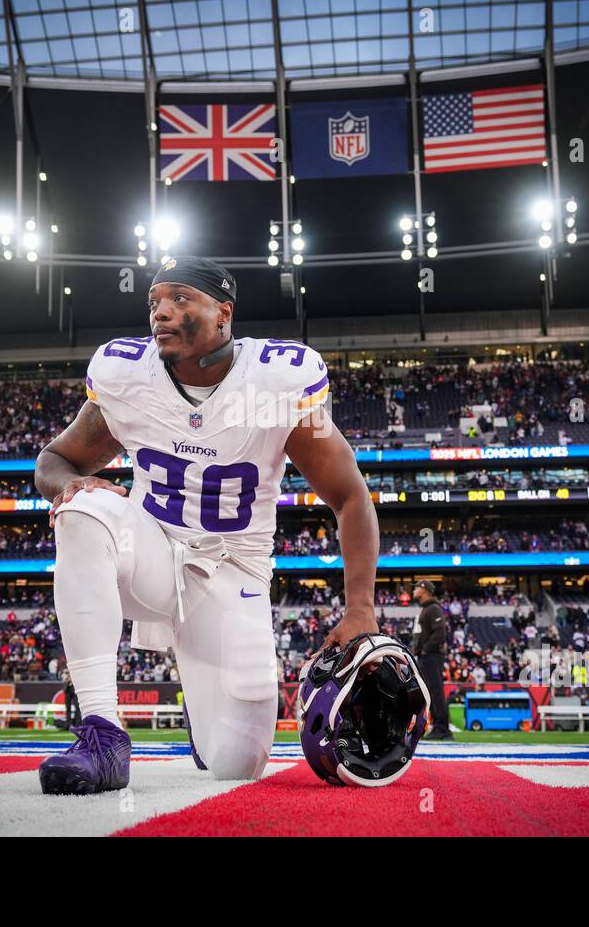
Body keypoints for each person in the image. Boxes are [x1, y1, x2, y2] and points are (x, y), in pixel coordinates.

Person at [34, 256, 379, 795]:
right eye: (153, 302)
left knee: (237, 764)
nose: (161, 313)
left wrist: (360, 607)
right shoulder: (125, 375)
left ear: (224, 312)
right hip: (149, 552)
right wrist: (66, 487)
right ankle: (102, 732)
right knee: (81, 511)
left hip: (232, 571)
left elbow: (350, 497)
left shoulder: (281, 380)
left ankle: (206, 708)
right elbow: (55, 460)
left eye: (179, 299)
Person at [411, 580, 452, 741]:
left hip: (432, 655)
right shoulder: (424, 609)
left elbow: (440, 633)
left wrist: (426, 649)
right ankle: (438, 727)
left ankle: (443, 729)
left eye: (417, 588)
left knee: (436, 691)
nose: (414, 590)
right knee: (430, 693)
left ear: (425, 590)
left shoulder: (434, 608)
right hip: (425, 656)